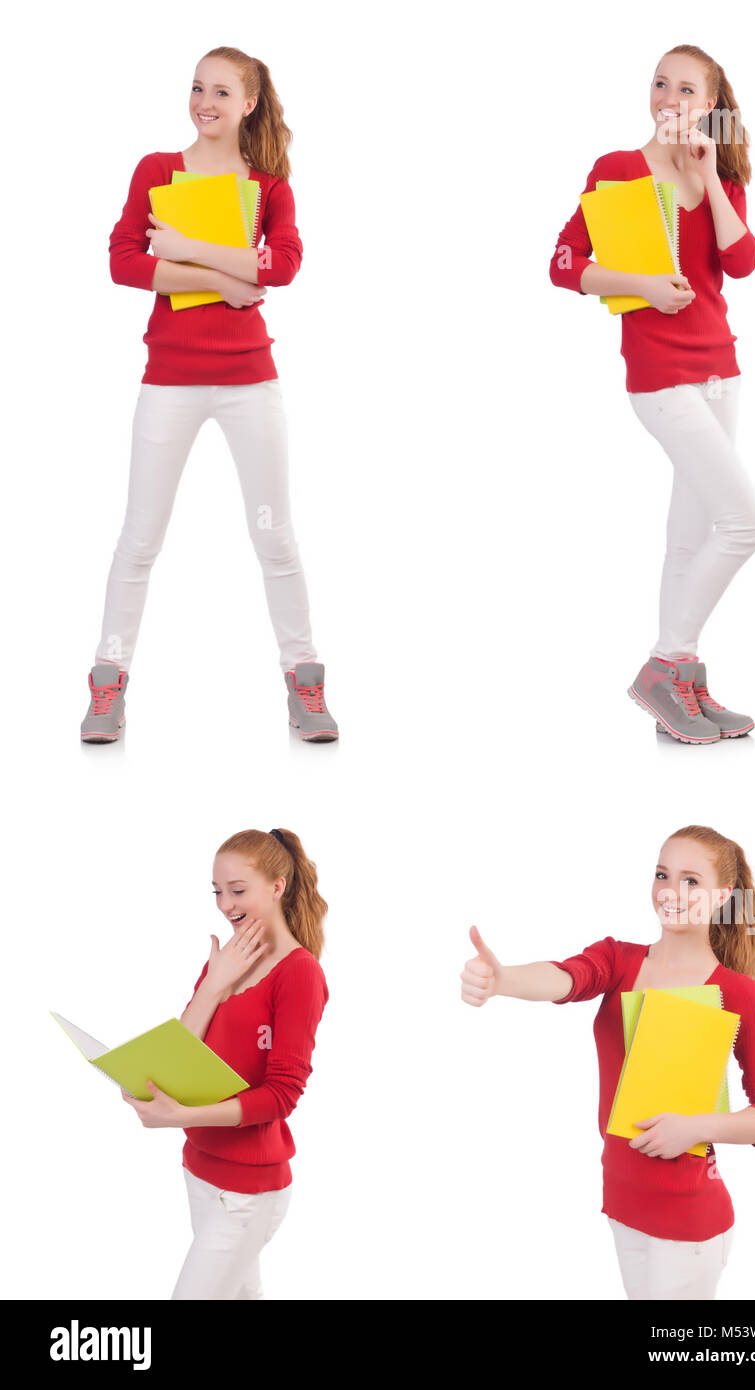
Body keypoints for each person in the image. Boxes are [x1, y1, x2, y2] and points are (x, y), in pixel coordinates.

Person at [82, 46, 337, 745]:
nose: (205, 102)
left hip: (248, 381)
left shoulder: (269, 187)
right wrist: (228, 280)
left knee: (273, 535)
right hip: (170, 378)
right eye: (197, 88)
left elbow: (281, 265)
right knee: (140, 537)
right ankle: (108, 683)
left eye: (221, 92)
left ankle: (303, 683)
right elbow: (122, 260)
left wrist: (192, 249)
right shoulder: (157, 171)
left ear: (249, 103)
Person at [460, 825, 755, 1300]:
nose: (670, 892)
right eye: (662, 874)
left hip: (689, 1222)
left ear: (723, 897)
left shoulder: (740, 994)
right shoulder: (619, 961)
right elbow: (566, 977)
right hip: (622, 1204)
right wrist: (503, 980)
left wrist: (697, 1127)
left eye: (691, 880)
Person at [550, 45, 755, 744]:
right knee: (744, 524)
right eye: (659, 83)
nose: (669, 97)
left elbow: (740, 261)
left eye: (686, 88)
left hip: (719, 371)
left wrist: (704, 169)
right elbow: (562, 263)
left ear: (708, 103)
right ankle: (663, 665)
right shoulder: (617, 169)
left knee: (692, 533)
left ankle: (685, 686)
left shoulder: (716, 168)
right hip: (660, 376)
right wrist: (638, 286)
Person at [122, 827, 328, 1300]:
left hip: (248, 1193)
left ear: (277, 886)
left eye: (238, 891)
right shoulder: (225, 960)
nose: (225, 905)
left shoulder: (300, 973)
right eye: (218, 892)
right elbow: (181, 1049)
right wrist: (216, 983)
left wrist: (182, 1116)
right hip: (199, 1169)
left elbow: (282, 1095)